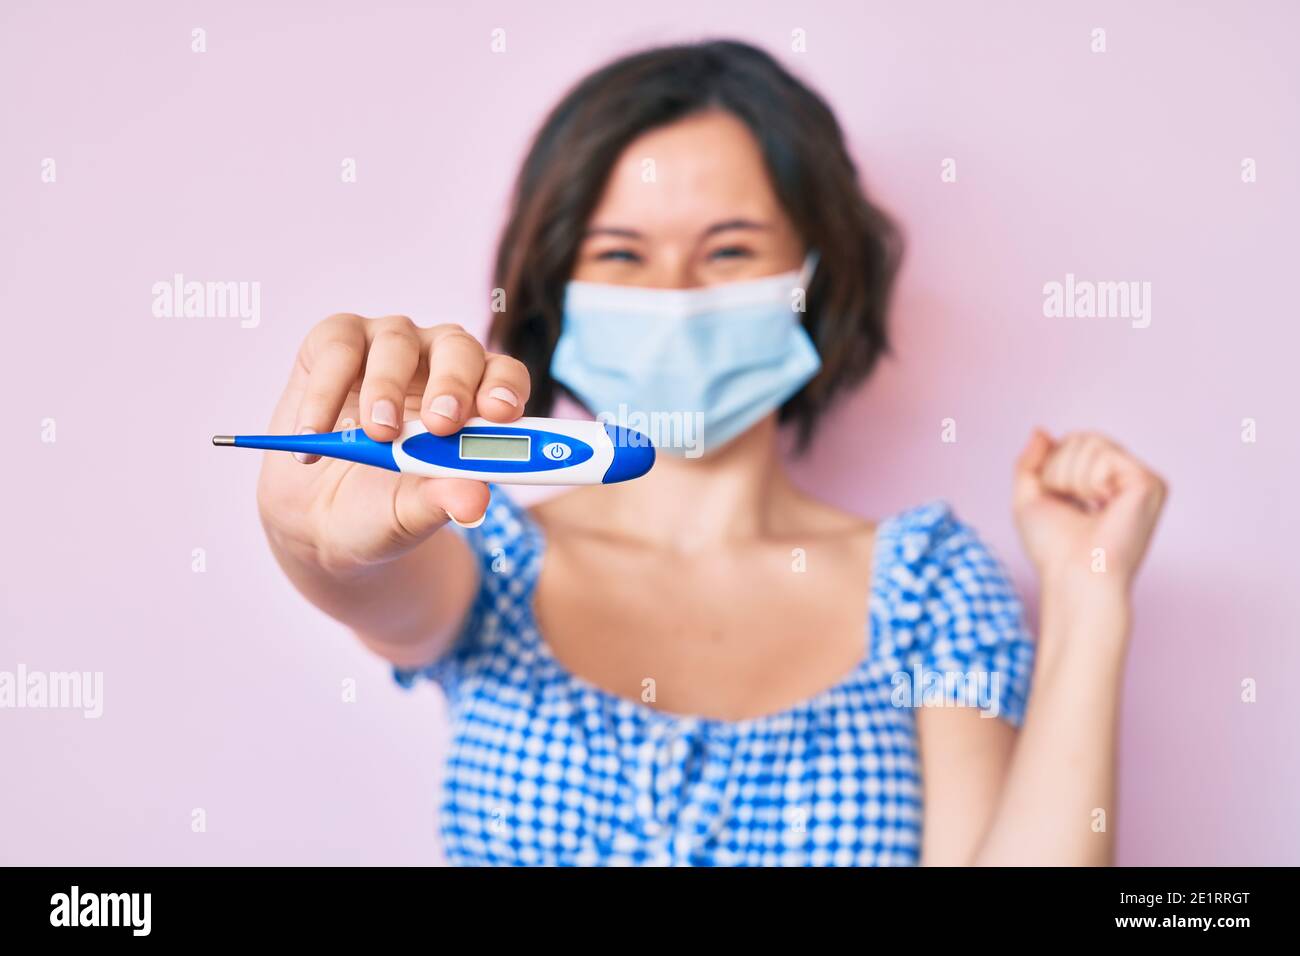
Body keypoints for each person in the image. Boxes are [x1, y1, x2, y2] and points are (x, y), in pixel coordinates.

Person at [254, 41, 1167, 865]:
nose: (676, 297)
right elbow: (373, 579)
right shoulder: (484, 551)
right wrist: (310, 541)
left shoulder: (930, 586)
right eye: (620, 255)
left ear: (818, 280)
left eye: (729, 251)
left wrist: (1089, 594)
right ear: (555, 287)